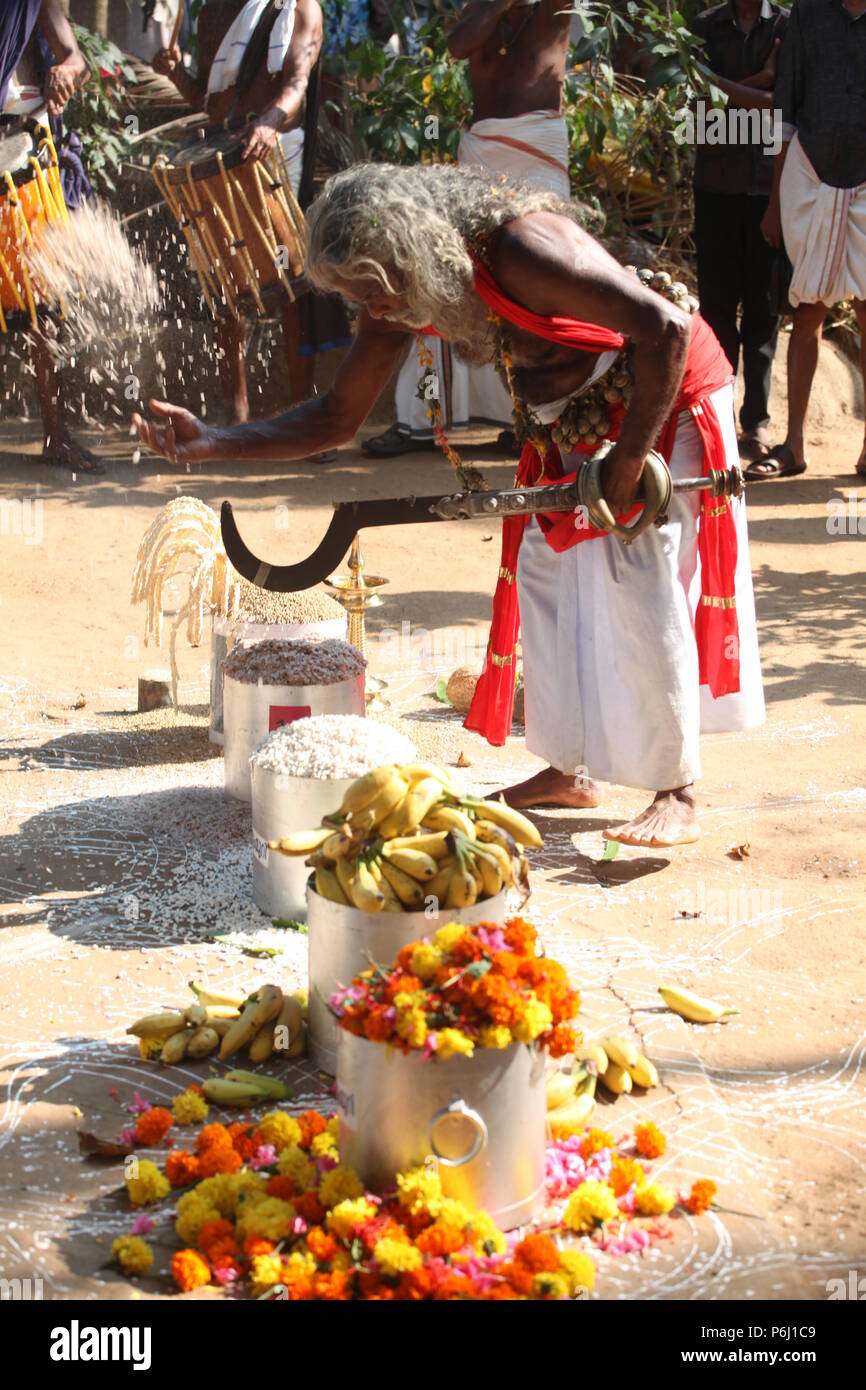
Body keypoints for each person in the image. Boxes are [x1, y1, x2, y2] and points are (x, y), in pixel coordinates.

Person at [134, 162, 765, 848]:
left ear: (413, 251)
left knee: (640, 581)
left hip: (662, 401)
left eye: (375, 292)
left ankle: (677, 789)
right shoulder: (400, 297)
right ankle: (568, 770)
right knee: (544, 576)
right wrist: (213, 442)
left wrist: (632, 456)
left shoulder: (524, 248)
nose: (374, 312)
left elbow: (666, 328)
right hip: (575, 419)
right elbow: (335, 420)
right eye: (358, 299)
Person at [363, 0, 573, 458]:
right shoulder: (481, 12)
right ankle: (421, 418)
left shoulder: (556, 9)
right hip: (482, 156)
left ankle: (537, 418)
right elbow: (457, 46)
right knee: (449, 281)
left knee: (540, 290)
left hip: (537, 151)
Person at [154, 0, 350, 442]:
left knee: (291, 284)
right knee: (225, 285)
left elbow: (297, 81)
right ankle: (236, 419)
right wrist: (175, 74)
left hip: (277, 146)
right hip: (225, 149)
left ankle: (302, 419)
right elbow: (211, 103)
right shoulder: (213, 14)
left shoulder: (301, 8)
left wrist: (268, 123)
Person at [757, 0, 866, 479]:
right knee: (807, 312)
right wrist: (776, 201)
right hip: (810, 174)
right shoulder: (808, 12)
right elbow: (785, 107)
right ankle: (794, 445)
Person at [1, 0, 99, 473]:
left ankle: (55, 437)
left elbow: (76, 58)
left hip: (27, 156)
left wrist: (66, 70)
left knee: (44, 307)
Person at [689, 0, 789, 461]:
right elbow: (698, 110)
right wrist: (762, 84)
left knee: (764, 314)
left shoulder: (788, 26)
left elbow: (784, 106)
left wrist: (730, 89)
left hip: (768, 191)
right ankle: (720, 417)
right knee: (716, 310)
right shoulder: (705, 28)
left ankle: (757, 423)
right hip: (715, 188)